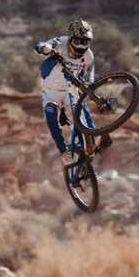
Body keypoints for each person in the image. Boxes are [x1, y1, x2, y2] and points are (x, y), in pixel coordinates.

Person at [34, 19, 96, 167]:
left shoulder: (89, 56)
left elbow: (90, 77)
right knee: (50, 114)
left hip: (71, 89)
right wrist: (46, 48)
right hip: (51, 90)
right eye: (78, 41)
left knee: (81, 118)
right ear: (71, 38)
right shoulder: (60, 41)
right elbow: (40, 46)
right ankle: (64, 151)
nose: (81, 46)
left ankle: (86, 150)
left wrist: (88, 86)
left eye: (85, 42)